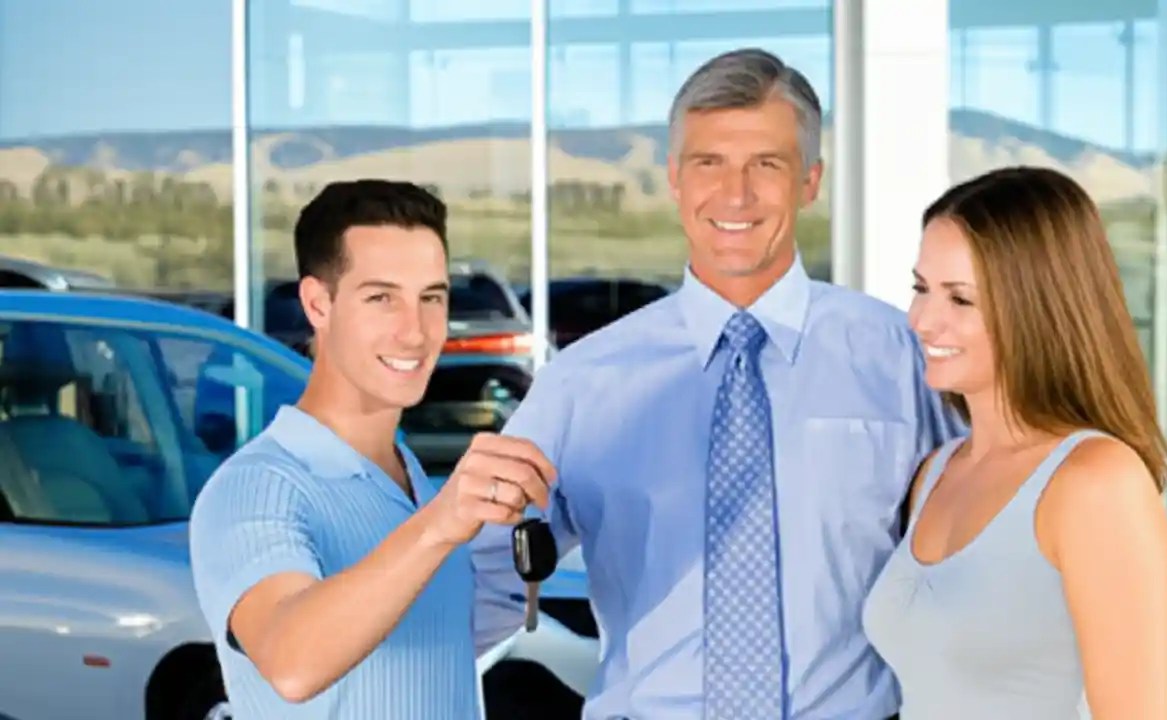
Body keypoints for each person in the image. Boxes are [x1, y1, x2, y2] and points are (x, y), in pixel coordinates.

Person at [469, 48, 964, 719]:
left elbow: (985, 555)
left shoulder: (902, 359)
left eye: (767, 164)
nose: (737, 195)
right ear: (675, 177)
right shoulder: (583, 383)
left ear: (810, 180)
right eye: (710, 164)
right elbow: (487, 582)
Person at [188, 180, 555, 719]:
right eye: (381, 298)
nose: (415, 332)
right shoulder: (257, 489)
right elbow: (292, 663)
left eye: (431, 297)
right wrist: (439, 524)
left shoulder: (412, 485)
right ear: (318, 303)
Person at [862, 166, 1167, 719]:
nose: (923, 321)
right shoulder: (935, 472)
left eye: (959, 300)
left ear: (1038, 309)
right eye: (921, 288)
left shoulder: (1097, 482)